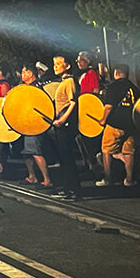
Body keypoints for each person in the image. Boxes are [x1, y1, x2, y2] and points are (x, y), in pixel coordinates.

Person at [97, 64, 139, 187]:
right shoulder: (134, 88)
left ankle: (108, 178)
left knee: (106, 150)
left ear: (116, 73)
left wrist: (103, 120)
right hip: (131, 124)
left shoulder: (113, 86)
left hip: (115, 123)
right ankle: (129, 180)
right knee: (128, 152)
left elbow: (109, 106)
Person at [48, 56, 81, 200]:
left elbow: (73, 102)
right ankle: (67, 187)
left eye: (59, 64)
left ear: (67, 66)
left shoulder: (69, 82)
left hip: (65, 125)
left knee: (67, 157)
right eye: (54, 64)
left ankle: (73, 190)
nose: (55, 66)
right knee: (63, 157)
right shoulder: (63, 82)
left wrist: (62, 119)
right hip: (61, 123)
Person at [17, 65, 52, 188]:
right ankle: (32, 176)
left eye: (24, 72)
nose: (22, 75)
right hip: (26, 124)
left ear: (30, 73)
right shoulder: (27, 87)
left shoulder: (35, 88)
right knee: (27, 153)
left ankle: (47, 179)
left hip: (34, 124)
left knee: (36, 152)